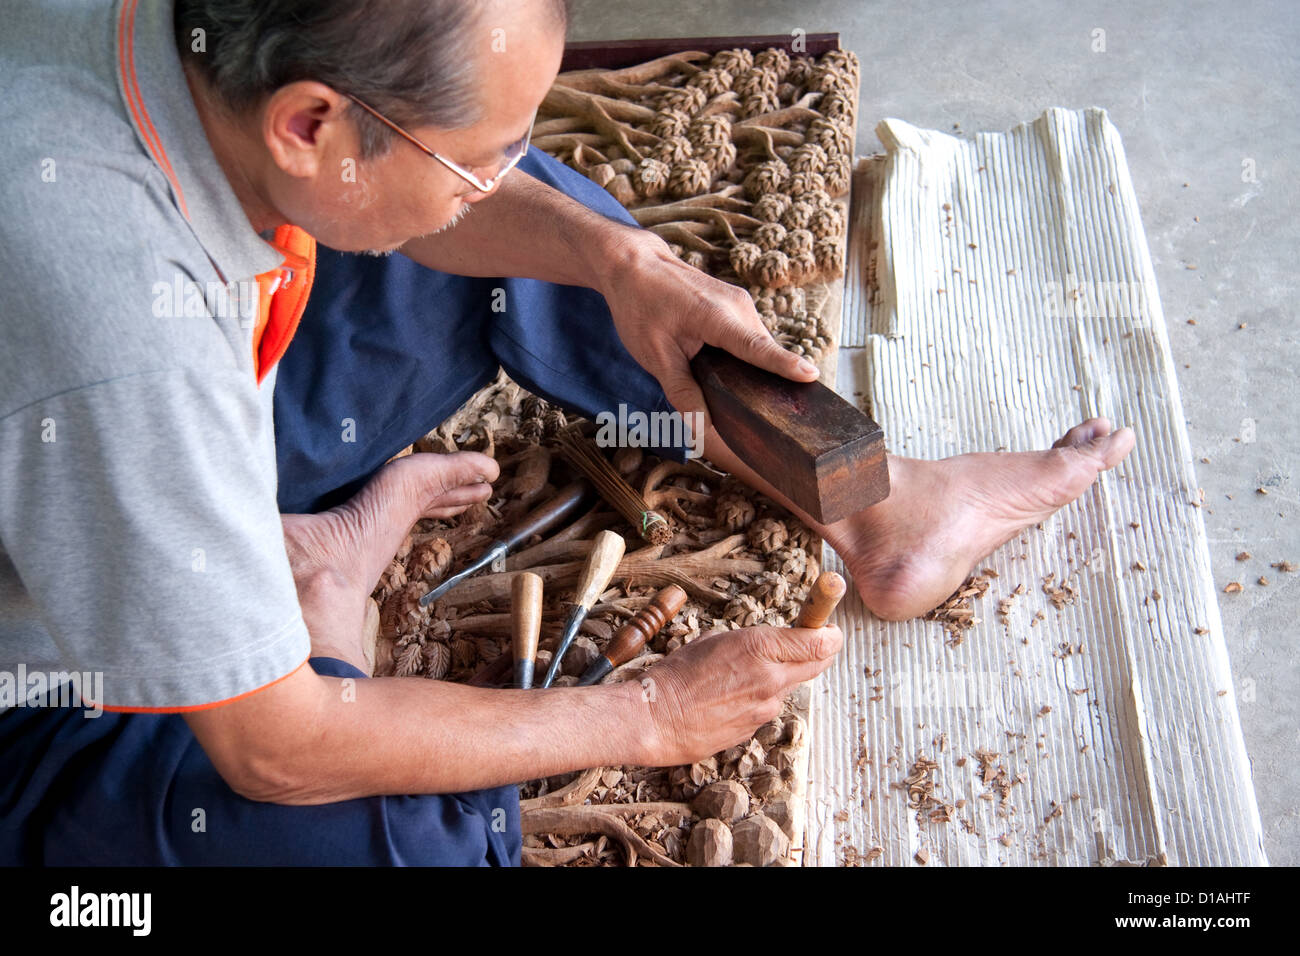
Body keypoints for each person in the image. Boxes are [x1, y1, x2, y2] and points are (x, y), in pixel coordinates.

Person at [0, 0, 1134, 865]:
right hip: (46, 681)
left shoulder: (214, 59)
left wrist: (620, 258)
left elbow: (459, 195)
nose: (509, 166)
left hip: (153, 407)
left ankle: (886, 506)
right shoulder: (125, 334)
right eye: (479, 153)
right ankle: (312, 612)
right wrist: (643, 714)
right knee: (391, 838)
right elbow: (278, 748)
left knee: (520, 238)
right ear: (308, 124)